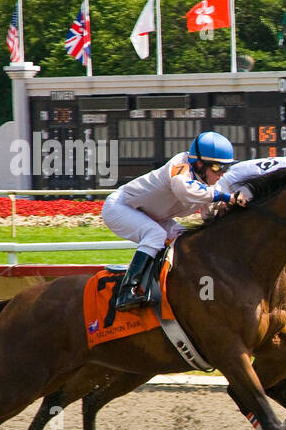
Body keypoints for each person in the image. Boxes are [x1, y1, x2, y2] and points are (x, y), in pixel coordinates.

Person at [102, 130, 243, 310]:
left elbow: (209, 218)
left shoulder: (210, 183)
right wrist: (224, 196)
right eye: (217, 168)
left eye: (226, 168)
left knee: (186, 239)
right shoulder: (180, 165)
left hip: (153, 215)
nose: (222, 174)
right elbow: (183, 188)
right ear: (199, 164)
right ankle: (127, 291)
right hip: (120, 206)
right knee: (155, 234)